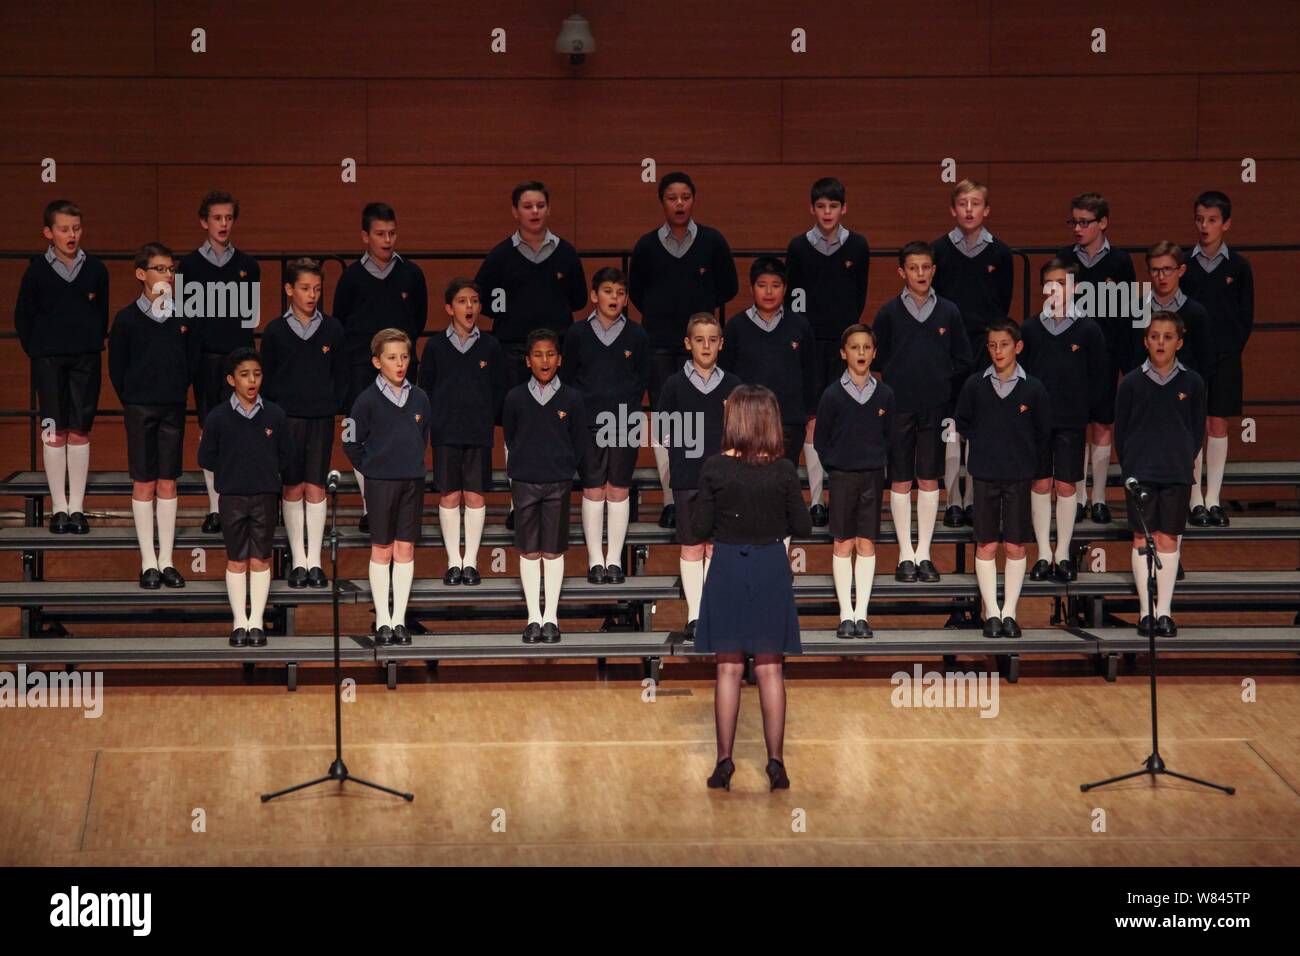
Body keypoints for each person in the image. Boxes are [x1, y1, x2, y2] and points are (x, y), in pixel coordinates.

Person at [691, 385, 812, 792]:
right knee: (770, 669)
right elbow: (803, 526)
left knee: (727, 668)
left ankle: (724, 763)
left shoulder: (714, 468)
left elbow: (696, 528)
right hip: (769, 569)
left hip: (727, 566)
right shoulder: (782, 471)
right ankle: (775, 764)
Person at [628, 171, 739, 528]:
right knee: (668, 424)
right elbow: (638, 294)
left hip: (699, 345)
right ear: (662, 202)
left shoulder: (713, 241)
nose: (679, 204)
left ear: (694, 200)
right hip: (659, 343)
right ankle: (671, 499)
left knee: (705, 425)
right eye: (672, 197)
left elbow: (729, 287)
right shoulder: (646, 246)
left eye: (685, 197)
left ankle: (709, 494)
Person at [872, 241, 972, 583]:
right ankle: (904, 555)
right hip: (899, 407)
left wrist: (939, 382)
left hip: (936, 407)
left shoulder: (949, 312)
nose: (920, 274)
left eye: (925, 267)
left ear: (934, 270)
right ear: (902, 271)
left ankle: (925, 553)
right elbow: (879, 358)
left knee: (929, 478)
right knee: (900, 479)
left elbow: (963, 358)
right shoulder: (887, 313)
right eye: (913, 268)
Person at [107, 243, 200, 589]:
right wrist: (133, 398)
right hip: (140, 408)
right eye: (160, 269)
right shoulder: (127, 319)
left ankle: (168, 560)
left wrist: (176, 388)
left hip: (172, 406)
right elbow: (117, 367)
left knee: (168, 481)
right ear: (141, 274)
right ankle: (148, 561)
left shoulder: (184, 317)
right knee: (144, 482)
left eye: (170, 269)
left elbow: (192, 361)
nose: (167, 275)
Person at [14, 199, 109, 535]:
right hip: (49, 362)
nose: (72, 235)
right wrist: (40, 352)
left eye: (76, 228)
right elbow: (23, 318)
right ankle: (59, 509)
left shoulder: (96, 269)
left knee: (80, 429)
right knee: (54, 430)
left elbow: (101, 316)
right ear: (48, 233)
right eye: (64, 229)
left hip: (85, 359)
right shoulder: (36, 271)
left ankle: (78, 509)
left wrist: (90, 341)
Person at [333, 202, 429, 531]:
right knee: (364, 434)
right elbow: (342, 320)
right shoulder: (351, 278)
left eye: (391, 233)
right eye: (379, 234)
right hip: (361, 367)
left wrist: (397, 357)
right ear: (365, 236)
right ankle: (369, 506)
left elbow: (418, 320)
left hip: (401, 367)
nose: (387, 240)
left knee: (398, 432)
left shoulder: (411, 275)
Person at [954, 318, 1051, 639]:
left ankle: (1009, 611)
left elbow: (1042, 434)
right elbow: (963, 423)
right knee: (986, 544)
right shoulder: (975, 386)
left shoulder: (1033, 389)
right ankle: (991, 613)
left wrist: (1037, 471)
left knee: (1014, 545)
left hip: (1019, 477)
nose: (997, 351)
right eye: (992, 345)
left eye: (1004, 345)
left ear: (1018, 347)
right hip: (984, 475)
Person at [784, 176, 870, 525]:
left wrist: (847, 339)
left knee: (840, 417)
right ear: (812, 208)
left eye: (833, 206)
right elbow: (794, 298)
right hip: (808, 343)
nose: (827, 212)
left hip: (841, 344)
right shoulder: (798, 247)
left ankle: (839, 498)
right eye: (821, 206)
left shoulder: (858, 246)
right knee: (811, 418)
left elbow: (858, 296)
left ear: (843, 208)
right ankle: (816, 500)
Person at [1115, 313, 1206, 636]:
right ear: (1145, 341)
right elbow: (1121, 432)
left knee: (1167, 539)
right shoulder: (1132, 383)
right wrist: (1131, 466)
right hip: (1141, 472)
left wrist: (1181, 459)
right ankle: (1145, 612)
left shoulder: (1192, 382)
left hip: (1176, 472)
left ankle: (1164, 611)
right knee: (1143, 537)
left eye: (1168, 337)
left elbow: (1197, 431)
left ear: (1179, 342)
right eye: (1154, 336)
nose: (1160, 343)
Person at [197, 348, 295, 648]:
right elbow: (207, 457)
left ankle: (257, 622)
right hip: (232, 498)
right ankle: (240, 621)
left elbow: (286, 456)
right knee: (238, 560)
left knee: (261, 559)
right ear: (231, 379)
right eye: (244, 375)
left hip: (265, 496)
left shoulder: (275, 415)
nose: (252, 380)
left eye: (257, 374)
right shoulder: (218, 417)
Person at [261, 258, 348, 588]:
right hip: (287, 420)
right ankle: (298, 560)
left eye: (316, 289)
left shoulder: (332, 329)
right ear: (289, 289)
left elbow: (341, 376)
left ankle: (315, 561)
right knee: (292, 487)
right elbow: (266, 380)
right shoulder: (275, 331)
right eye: (305, 288)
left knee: (316, 487)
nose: (312, 295)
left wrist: (332, 404)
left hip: (320, 418)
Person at [931, 179, 1013, 526]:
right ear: (953, 209)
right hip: (949, 346)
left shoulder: (1001, 253)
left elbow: (1003, 304)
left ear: (986, 210)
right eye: (962, 203)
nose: (968, 209)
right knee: (952, 422)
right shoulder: (939, 251)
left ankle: (975, 498)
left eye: (975, 203)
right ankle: (953, 500)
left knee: (981, 421)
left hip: (985, 346)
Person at [654, 312, 741, 641]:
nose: (706, 346)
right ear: (688, 343)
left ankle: (717, 613)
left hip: (726, 482)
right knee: (692, 548)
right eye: (699, 340)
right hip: (688, 479)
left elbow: (742, 431)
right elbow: (662, 431)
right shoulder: (674, 385)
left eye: (712, 339)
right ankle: (695, 616)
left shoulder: (733, 385)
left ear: (721, 343)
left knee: (717, 549)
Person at [342, 329, 431, 647]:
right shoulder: (366, 400)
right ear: (377, 362)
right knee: (382, 549)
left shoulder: (420, 398)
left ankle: (398, 620)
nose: (400, 363)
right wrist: (373, 467)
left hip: (412, 481)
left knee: (404, 549)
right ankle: (382, 620)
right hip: (380, 483)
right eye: (392, 358)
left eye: (404, 357)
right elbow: (351, 442)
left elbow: (423, 435)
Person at [1020, 258, 1107, 582]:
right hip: (1038, 423)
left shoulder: (1088, 329)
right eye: (1050, 283)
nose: (1055, 289)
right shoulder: (1030, 329)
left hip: (1072, 419)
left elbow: (1098, 377)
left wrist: (1095, 413)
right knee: (1041, 483)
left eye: (1062, 282)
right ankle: (1043, 553)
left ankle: (1063, 552)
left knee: (1067, 485)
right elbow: (1023, 376)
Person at [418, 278, 509, 586]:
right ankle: (453, 562)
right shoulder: (435, 346)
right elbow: (425, 389)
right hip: (445, 431)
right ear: (448, 308)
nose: (469, 306)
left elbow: (499, 389)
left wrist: (486, 416)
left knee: (473, 495)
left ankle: (470, 562)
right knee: (450, 495)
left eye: (474, 300)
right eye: (462, 301)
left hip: (478, 431)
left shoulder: (490, 345)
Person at [179, 190, 261, 534]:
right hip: (204, 361)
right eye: (217, 218)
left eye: (228, 218)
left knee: (241, 428)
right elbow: (184, 320)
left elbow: (250, 319)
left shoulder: (247, 266)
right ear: (204, 222)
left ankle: (238, 503)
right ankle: (215, 506)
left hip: (237, 361)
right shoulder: (189, 266)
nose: (223, 224)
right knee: (209, 430)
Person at [562, 267, 650, 584]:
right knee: (593, 488)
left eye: (621, 293)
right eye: (609, 291)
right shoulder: (576, 334)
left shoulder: (637, 335)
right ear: (594, 295)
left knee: (618, 488)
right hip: (587, 423)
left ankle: (614, 561)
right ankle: (594, 560)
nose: (615, 298)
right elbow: (568, 379)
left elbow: (643, 379)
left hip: (624, 421)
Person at [501, 328, 589, 644]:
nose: (544, 360)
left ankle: (550, 617)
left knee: (552, 551)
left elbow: (579, 441)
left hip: (558, 482)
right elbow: (510, 436)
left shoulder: (572, 398)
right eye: (538, 354)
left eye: (550, 354)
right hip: (524, 481)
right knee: (529, 550)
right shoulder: (514, 398)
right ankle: (532, 618)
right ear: (527, 361)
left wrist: (563, 466)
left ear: (560, 359)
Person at [1057, 191, 1137, 524]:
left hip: (1106, 356)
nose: (1078, 228)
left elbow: (1128, 315)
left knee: (1103, 425)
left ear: (1103, 223)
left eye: (1085, 222)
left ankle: (1100, 497)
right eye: (1074, 221)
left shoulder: (1119, 261)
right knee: (1076, 427)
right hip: (1072, 359)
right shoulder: (1064, 259)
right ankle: (1076, 496)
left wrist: (1127, 361)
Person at [814, 325, 894, 639]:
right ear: (843, 352)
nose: (860, 353)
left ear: (874, 353)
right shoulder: (832, 395)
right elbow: (821, 440)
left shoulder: (885, 394)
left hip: (872, 477)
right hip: (843, 477)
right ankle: (845, 614)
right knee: (843, 543)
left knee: (866, 544)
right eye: (854, 348)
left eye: (866, 348)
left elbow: (889, 438)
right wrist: (837, 466)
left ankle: (862, 614)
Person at [1180, 190, 1254, 529]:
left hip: (1224, 356)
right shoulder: (1185, 264)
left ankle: (1214, 498)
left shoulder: (1238, 266)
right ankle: (1194, 498)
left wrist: (1230, 347)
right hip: (1192, 357)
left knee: (1217, 424)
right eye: (1200, 219)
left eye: (1212, 220)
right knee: (1194, 425)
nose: (1204, 226)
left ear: (1226, 224)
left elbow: (1245, 315)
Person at [719, 256, 818, 466]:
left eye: (775, 285)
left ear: (785, 288)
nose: (769, 292)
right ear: (752, 288)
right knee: (749, 482)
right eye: (762, 285)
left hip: (789, 420)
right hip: (747, 421)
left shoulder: (800, 326)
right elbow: (725, 375)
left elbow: (810, 372)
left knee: (782, 480)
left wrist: (810, 415)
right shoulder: (736, 327)